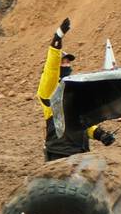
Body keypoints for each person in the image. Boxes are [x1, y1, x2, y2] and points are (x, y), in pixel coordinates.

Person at [39, 17, 115, 161]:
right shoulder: (48, 91)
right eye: (64, 62)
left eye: (69, 62)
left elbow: (82, 123)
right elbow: (51, 68)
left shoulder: (73, 93)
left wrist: (101, 135)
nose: (67, 65)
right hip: (59, 154)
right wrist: (58, 38)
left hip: (80, 155)